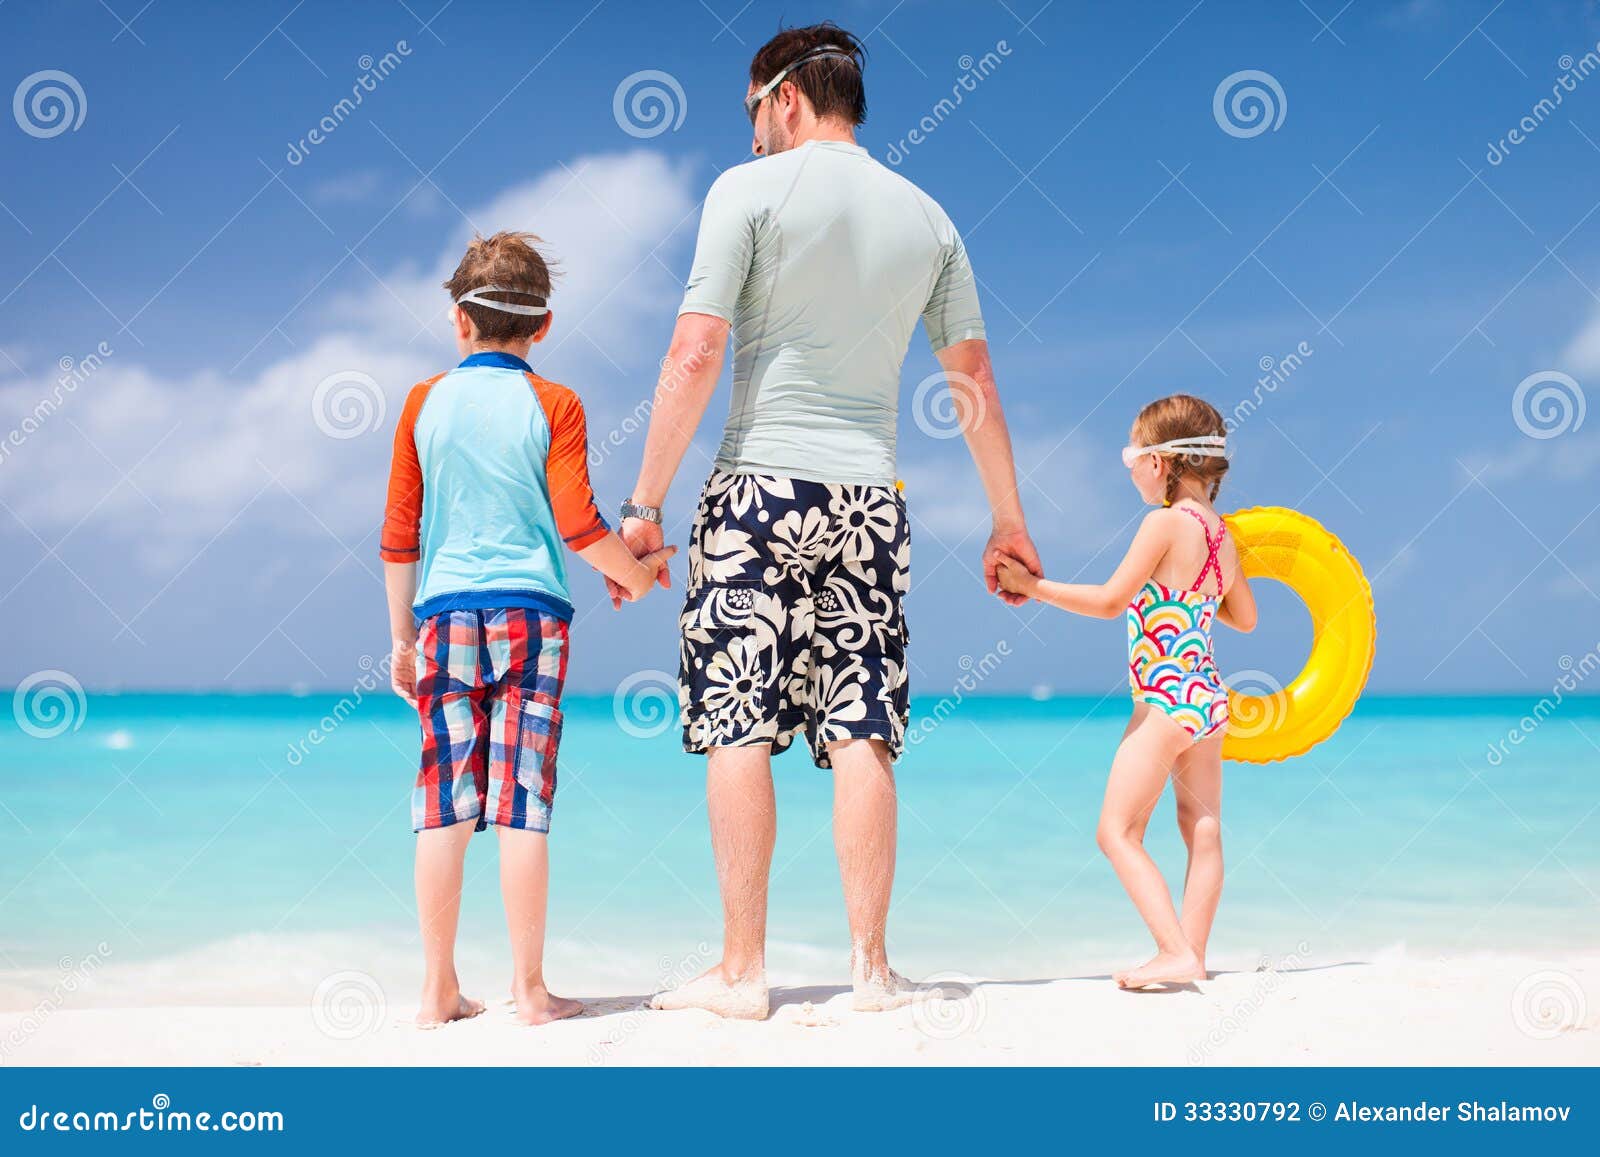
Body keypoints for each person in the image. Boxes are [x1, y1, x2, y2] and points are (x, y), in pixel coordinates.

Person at [613, 23, 1042, 1020]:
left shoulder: (746, 191)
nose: (752, 133)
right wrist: (1007, 519)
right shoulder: (929, 217)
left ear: (785, 99)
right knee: (861, 726)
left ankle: (741, 970)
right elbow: (970, 381)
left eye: (751, 112)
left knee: (735, 717)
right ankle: (871, 969)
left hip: (759, 489)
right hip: (869, 500)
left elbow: (693, 350)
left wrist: (644, 504)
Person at [379, 232, 676, 1026]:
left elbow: (399, 534)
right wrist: (638, 574)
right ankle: (531, 990)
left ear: (458, 321)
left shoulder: (421, 402)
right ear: (542, 327)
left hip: (442, 613)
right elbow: (579, 524)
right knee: (521, 800)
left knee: (443, 798)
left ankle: (437, 989)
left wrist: (403, 639)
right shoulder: (556, 403)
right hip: (532, 614)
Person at [997, 394, 1257, 989]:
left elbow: (1113, 601)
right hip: (1209, 701)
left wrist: (1032, 586)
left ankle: (1173, 951)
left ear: (1162, 463)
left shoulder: (1163, 523)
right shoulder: (1223, 536)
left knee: (1117, 832)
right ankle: (1192, 953)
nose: (1130, 470)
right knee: (1203, 826)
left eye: (1131, 456)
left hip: (1164, 701)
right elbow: (1244, 619)